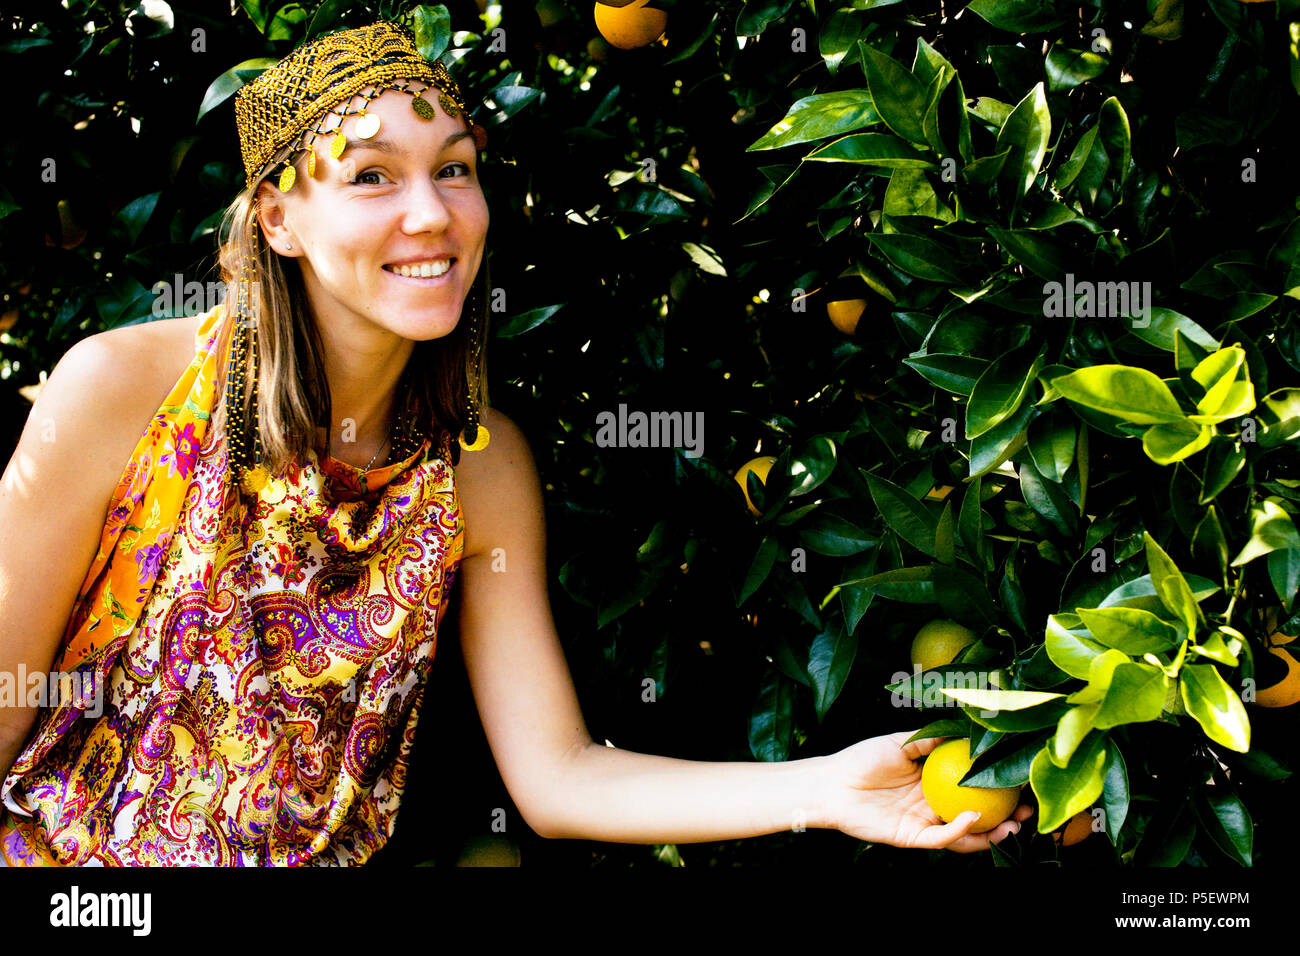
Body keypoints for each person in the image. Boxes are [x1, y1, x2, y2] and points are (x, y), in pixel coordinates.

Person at [0, 20, 1030, 866]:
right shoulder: (125, 390)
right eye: (369, 177)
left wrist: (825, 785)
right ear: (277, 218)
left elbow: (558, 775)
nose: (431, 213)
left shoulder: (477, 465)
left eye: (454, 169)